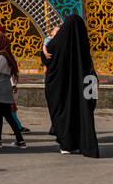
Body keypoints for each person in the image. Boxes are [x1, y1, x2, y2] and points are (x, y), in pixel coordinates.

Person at [43, 14, 100, 157]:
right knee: (81, 113)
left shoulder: (56, 44)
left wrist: (44, 47)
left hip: (61, 89)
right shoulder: (83, 43)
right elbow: (89, 69)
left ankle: (66, 144)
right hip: (82, 88)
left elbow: (46, 58)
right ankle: (81, 143)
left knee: (63, 113)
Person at [0, 31, 26, 148]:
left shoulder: (2, 56)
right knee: (1, 116)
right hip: (2, 88)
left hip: (1, 88)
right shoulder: (3, 54)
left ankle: (19, 141)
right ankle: (1, 141)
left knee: (6, 116)